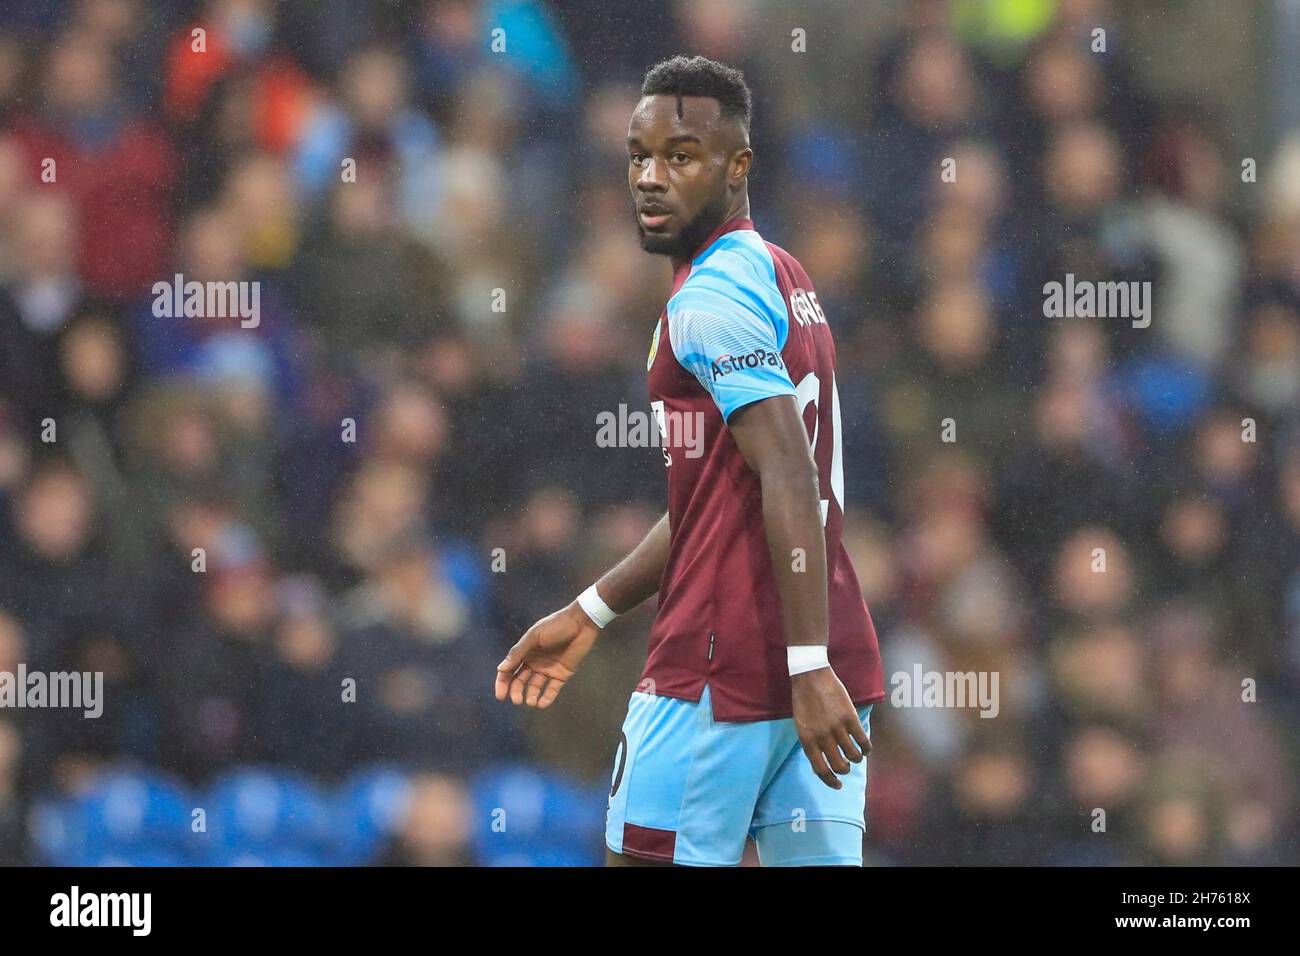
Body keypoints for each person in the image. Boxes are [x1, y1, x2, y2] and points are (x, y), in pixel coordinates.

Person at [494, 55, 885, 867]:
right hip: (827, 656)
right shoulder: (786, 276)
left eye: (680, 157)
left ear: (738, 166)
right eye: (639, 156)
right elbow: (727, 495)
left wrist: (802, 663)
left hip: (722, 666)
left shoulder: (706, 302)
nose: (649, 177)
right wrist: (593, 611)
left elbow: (788, 474)